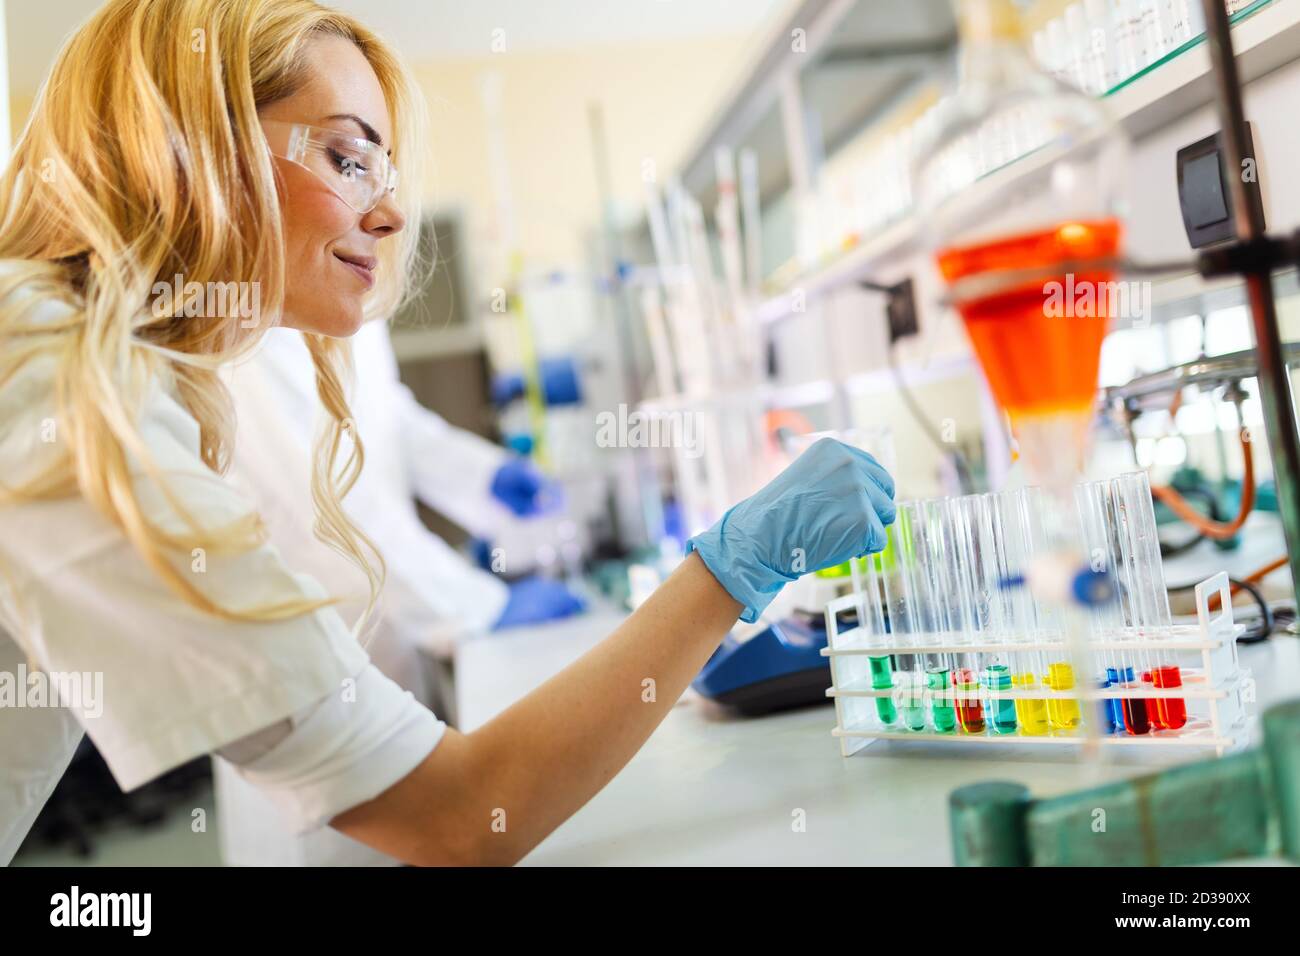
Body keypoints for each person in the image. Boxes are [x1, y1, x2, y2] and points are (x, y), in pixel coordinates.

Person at [0, 0, 895, 867]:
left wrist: (486, 481)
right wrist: (734, 567)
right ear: (193, 147)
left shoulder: (92, 350)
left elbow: (389, 425)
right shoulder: (60, 393)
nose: (391, 216)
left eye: (383, 172)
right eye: (346, 158)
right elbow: (463, 817)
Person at [215, 317, 582, 865]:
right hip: (309, 681)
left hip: (378, 652)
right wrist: (479, 605)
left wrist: (483, 475)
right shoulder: (244, 323)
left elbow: (377, 411)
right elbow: (323, 509)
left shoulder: (343, 295)